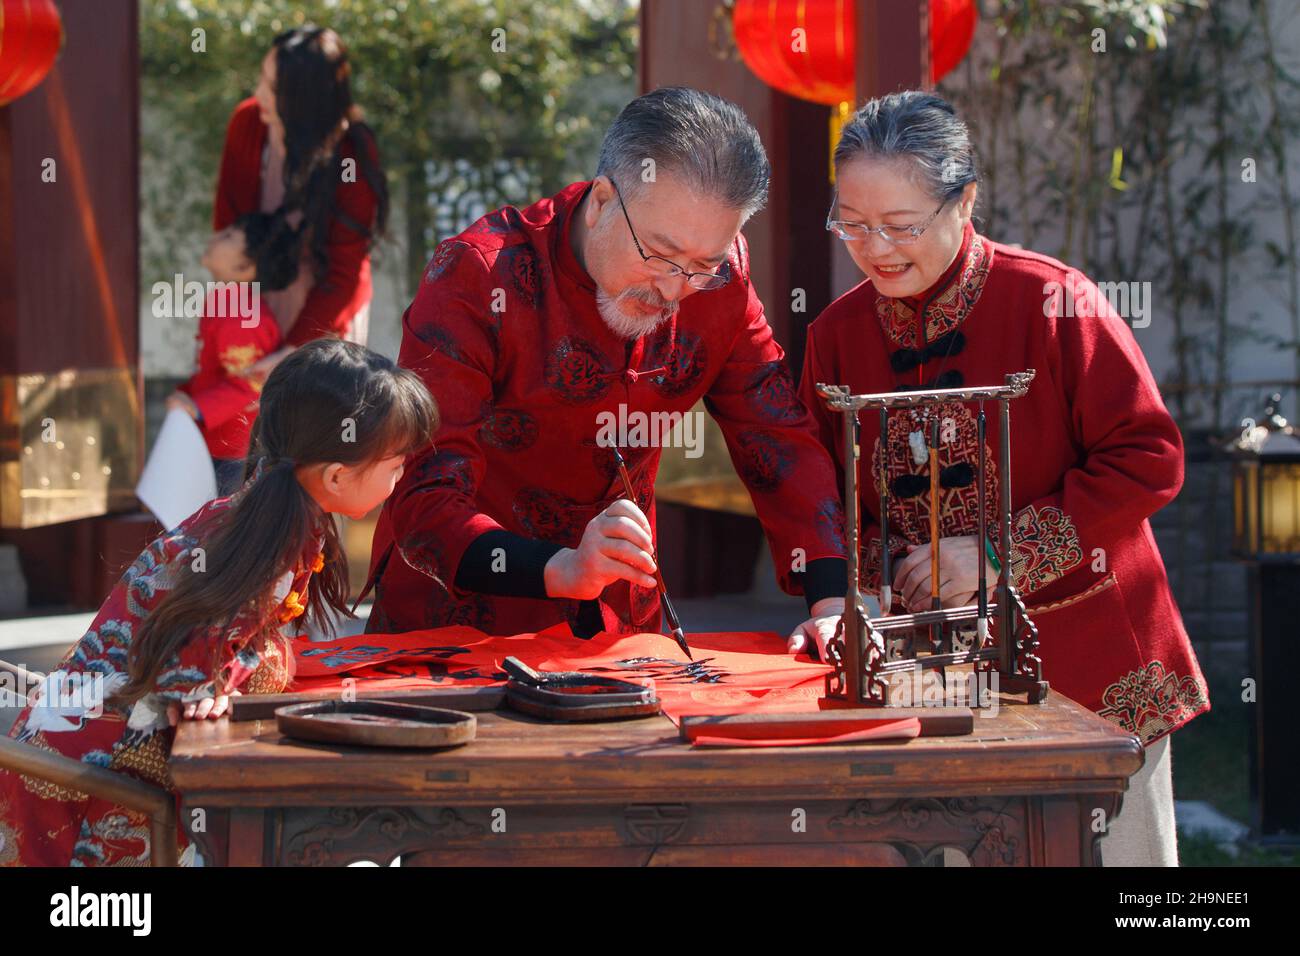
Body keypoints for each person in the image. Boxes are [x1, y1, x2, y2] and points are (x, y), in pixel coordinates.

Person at [797, 90, 1209, 866]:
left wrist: (991, 555)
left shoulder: (1055, 301)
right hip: (930, 672)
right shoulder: (835, 337)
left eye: (901, 225)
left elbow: (1148, 457)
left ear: (967, 201)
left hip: (1088, 655)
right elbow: (827, 501)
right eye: (852, 223)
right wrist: (864, 576)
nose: (875, 246)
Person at [361, 87, 848, 645]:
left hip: (619, 633)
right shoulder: (479, 277)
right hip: (457, 621)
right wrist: (564, 570)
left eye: (702, 264)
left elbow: (776, 434)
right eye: (659, 254)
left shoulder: (721, 284)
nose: (672, 288)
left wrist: (832, 600)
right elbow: (426, 494)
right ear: (600, 202)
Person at [0, 339, 437, 866]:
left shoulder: (258, 518)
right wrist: (217, 681)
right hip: (92, 781)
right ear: (337, 476)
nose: (400, 478)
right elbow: (192, 671)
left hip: (71, 753)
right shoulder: (271, 541)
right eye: (394, 465)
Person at [212, 25, 388, 382]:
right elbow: (229, 227)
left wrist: (294, 350)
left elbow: (345, 274)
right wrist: (241, 326)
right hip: (258, 299)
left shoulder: (352, 152)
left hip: (327, 316)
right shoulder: (248, 123)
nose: (258, 94)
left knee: (319, 423)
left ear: (307, 100)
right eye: (261, 79)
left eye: (273, 89)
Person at [166, 211, 300, 496]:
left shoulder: (241, 316)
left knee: (223, 527)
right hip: (220, 442)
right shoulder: (228, 303)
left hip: (233, 448)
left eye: (227, 236)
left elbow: (252, 382)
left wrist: (196, 406)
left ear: (245, 266)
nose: (214, 237)